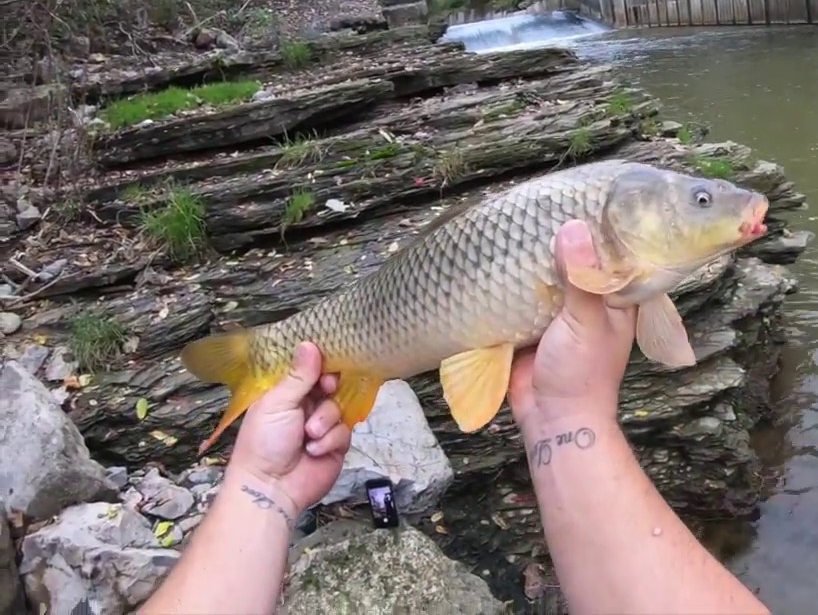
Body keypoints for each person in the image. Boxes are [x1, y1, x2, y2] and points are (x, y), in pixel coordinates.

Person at [140, 219, 770, 615]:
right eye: (700, 201)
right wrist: (570, 415)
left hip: (412, 323)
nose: (725, 209)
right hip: (389, 315)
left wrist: (262, 486)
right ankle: (260, 358)